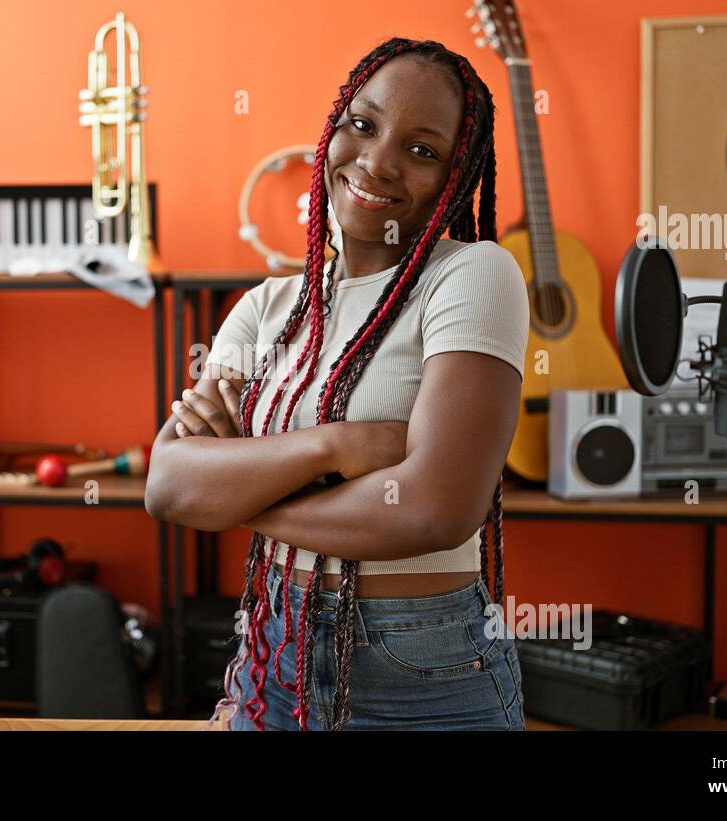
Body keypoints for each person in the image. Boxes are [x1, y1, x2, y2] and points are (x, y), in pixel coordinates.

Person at [144, 37, 530, 730]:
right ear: (333, 128)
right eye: (363, 123)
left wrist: (237, 496)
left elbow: (434, 510)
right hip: (274, 647)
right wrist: (332, 447)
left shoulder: (472, 275)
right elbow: (169, 483)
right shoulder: (266, 305)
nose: (377, 161)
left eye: (422, 150)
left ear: (456, 175)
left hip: (420, 664)